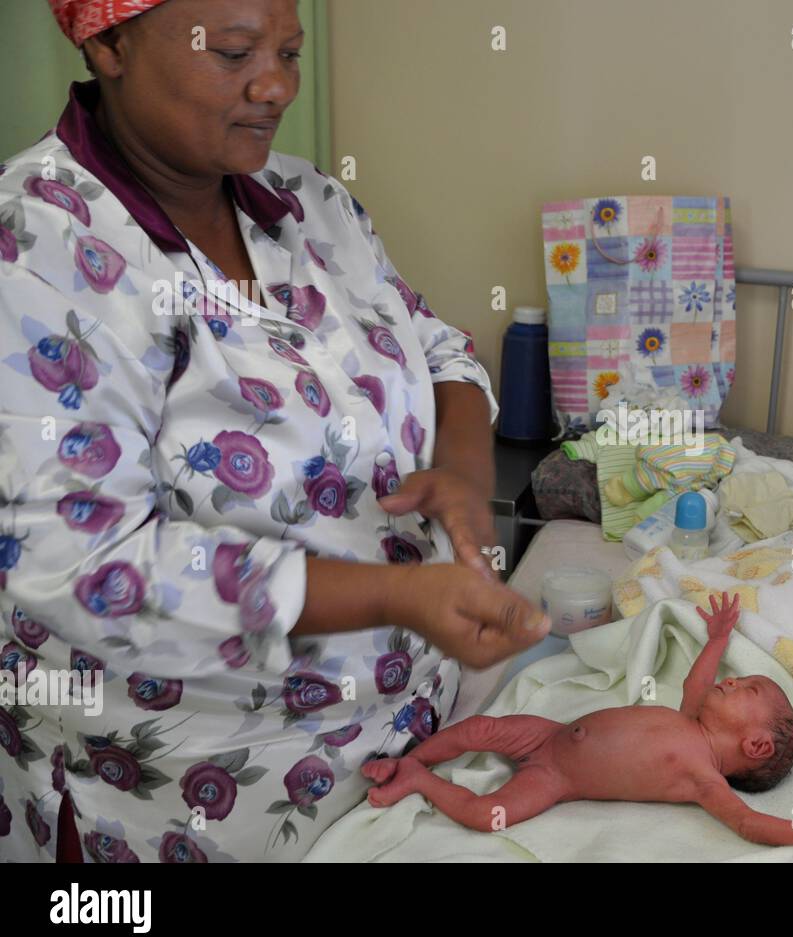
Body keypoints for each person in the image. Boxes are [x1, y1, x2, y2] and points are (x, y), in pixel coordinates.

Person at [0, 0, 549, 862]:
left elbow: (438, 347)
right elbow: (82, 567)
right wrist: (394, 595)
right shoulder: (37, 246)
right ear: (106, 41)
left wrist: (466, 471)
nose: (276, 85)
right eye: (232, 52)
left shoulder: (307, 200)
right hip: (186, 804)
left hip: (396, 755)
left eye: (289, 52)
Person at [363, 594, 793, 846]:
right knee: (480, 730)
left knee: (486, 815)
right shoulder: (690, 716)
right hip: (550, 734)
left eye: (748, 689)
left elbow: (748, 823)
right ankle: (415, 757)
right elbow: (698, 681)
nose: (732, 680)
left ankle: (418, 779)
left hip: (556, 778)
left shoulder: (702, 779)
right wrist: (718, 638)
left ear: (756, 747)